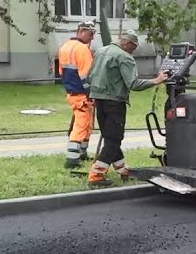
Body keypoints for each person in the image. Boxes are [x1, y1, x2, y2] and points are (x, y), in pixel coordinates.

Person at [85, 32, 169, 188]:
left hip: (99, 100)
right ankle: (96, 175)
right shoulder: (124, 57)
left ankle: (122, 169)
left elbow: (89, 77)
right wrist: (157, 80)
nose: (134, 50)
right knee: (114, 139)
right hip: (115, 103)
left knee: (110, 136)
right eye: (134, 46)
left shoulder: (101, 51)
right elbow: (133, 84)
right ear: (128, 43)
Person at [57, 22, 96, 169]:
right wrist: (91, 94)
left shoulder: (64, 47)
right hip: (81, 94)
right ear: (82, 31)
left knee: (87, 123)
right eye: (90, 34)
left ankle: (82, 153)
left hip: (71, 92)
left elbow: (61, 72)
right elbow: (86, 76)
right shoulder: (82, 49)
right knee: (81, 125)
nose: (92, 38)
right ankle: (72, 159)